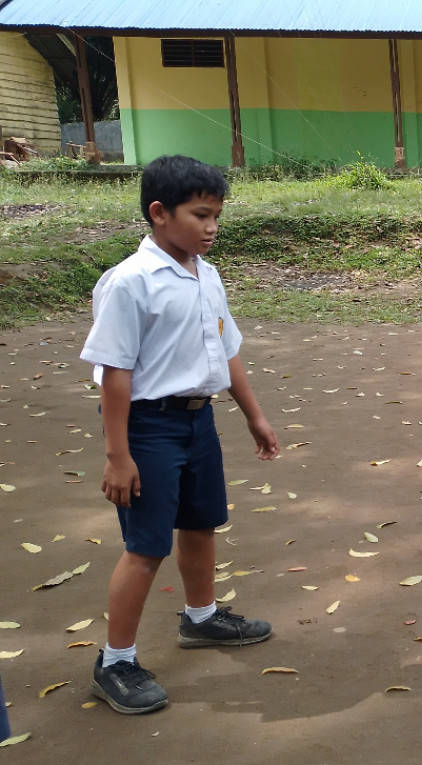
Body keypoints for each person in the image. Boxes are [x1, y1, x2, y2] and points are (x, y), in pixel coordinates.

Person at [80, 155, 279, 714]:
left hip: (197, 419)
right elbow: (115, 375)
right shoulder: (130, 283)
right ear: (159, 213)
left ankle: (201, 617)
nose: (212, 227)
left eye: (217, 215)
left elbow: (227, 349)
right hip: (147, 427)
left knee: (200, 523)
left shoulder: (206, 274)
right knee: (146, 546)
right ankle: (115, 661)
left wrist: (253, 414)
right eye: (201, 215)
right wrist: (117, 456)